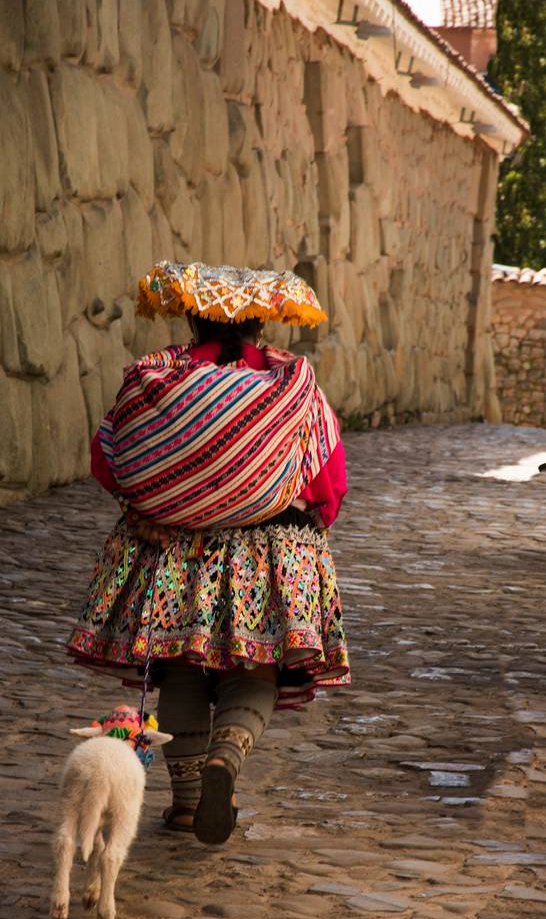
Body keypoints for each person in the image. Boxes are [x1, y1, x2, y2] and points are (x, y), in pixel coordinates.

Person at [68, 261, 350, 844]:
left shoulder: (155, 379)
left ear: (192, 318)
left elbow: (109, 460)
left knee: (181, 672)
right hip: (272, 551)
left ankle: (191, 803)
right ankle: (229, 754)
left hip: (172, 554)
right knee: (258, 667)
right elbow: (327, 482)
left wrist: (179, 497)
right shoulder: (293, 387)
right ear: (260, 324)